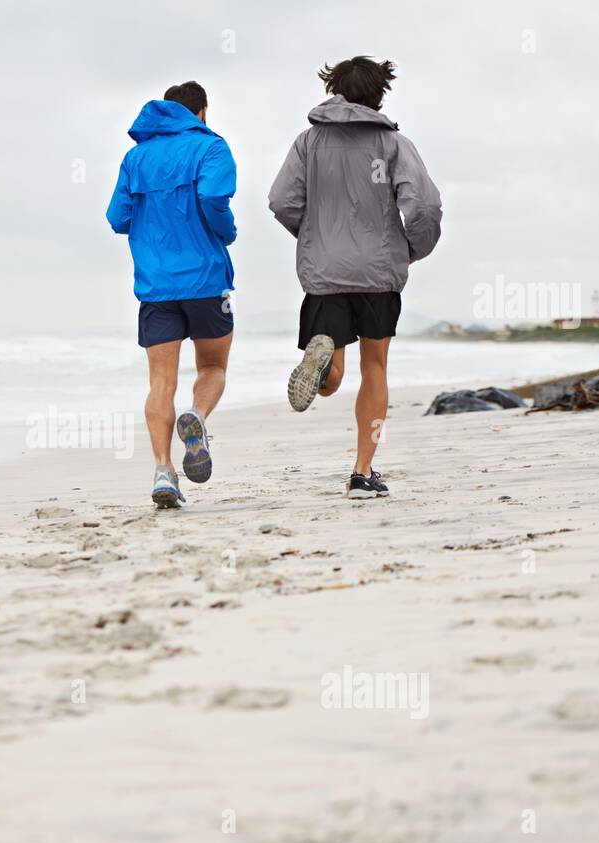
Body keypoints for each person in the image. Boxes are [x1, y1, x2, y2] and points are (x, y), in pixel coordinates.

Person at [268, 57, 442, 499]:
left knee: (334, 378)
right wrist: (409, 249)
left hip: (325, 272)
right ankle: (363, 472)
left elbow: (281, 200)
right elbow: (423, 207)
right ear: (379, 93)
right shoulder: (392, 143)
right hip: (378, 272)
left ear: (334, 90)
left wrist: (313, 236)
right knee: (375, 367)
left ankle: (322, 367)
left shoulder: (308, 142)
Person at [106, 81, 237, 508]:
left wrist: (150, 225)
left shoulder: (135, 157)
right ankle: (196, 418)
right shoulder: (210, 147)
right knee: (214, 365)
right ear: (202, 111)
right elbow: (215, 196)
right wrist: (225, 230)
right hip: (205, 279)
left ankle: (164, 470)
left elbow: (116, 217)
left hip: (156, 284)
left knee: (160, 382)